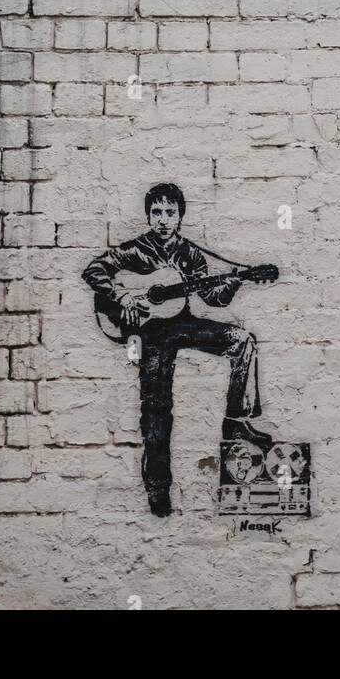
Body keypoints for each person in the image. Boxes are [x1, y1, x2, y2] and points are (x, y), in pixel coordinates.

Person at [82, 183, 271, 517]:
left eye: (170, 212)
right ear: (148, 215)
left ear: (180, 216)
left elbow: (213, 298)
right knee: (157, 410)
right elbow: (93, 270)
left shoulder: (191, 254)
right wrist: (123, 297)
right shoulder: (135, 251)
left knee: (242, 341)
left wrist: (236, 281)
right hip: (150, 333)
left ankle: (236, 420)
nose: (163, 219)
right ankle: (157, 489)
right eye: (157, 212)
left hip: (182, 325)